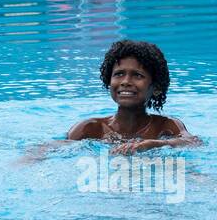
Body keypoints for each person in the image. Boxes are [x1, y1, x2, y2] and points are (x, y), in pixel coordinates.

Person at [64, 40, 199, 155]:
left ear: (156, 88)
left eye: (137, 75)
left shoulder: (166, 126)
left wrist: (153, 144)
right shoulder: (89, 129)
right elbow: (53, 149)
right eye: (119, 74)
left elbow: (193, 142)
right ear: (108, 81)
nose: (126, 81)